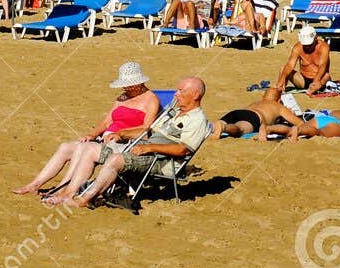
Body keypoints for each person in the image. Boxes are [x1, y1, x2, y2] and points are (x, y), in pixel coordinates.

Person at [12, 62, 161, 199]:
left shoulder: (151, 100)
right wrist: (92, 134)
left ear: (140, 82)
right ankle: (35, 185)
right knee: (65, 147)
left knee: (83, 148)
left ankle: (63, 189)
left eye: (128, 85)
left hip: (123, 143)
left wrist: (121, 134)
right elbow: (107, 121)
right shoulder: (122, 97)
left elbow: (146, 129)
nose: (125, 88)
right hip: (104, 138)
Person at [62, 76, 209, 209]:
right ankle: (68, 193)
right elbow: (148, 131)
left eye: (181, 91)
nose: (176, 94)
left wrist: (150, 148)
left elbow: (183, 150)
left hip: (161, 161)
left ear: (195, 95)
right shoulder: (173, 111)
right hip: (143, 149)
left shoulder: (197, 120)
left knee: (116, 159)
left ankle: (85, 199)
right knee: (91, 149)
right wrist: (121, 133)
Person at [216, 85, 303, 140]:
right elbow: (300, 123)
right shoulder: (279, 106)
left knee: (214, 125)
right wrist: (293, 114)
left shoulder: (256, 102)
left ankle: (217, 125)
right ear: (279, 100)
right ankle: (224, 128)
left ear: (263, 96)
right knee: (239, 129)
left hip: (238, 111)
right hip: (254, 116)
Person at [275, 26, 331, 93]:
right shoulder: (298, 47)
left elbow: (323, 65)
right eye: (305, 45)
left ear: (315, 38)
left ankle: (316, 87)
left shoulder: (323, 47)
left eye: (310, 45)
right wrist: (282, 79)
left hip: (321, 78)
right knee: (283, 70)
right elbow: (290, 65)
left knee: (327, 76)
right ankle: (281, 87)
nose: (307, 47)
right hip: (303, 80)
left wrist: (316, 81)